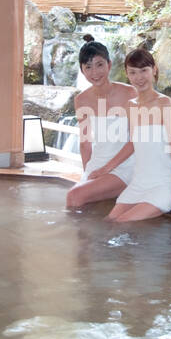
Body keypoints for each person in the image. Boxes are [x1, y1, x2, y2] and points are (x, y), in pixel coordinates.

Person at [87, 46, 171, 222]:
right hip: (140, 181)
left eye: (144, 70)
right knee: (109, 222)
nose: (139, 78)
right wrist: (104, 169)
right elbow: (132, 143)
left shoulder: (164, 103)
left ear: (154, 70)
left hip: (163, 183)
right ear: (127, 74)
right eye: (133, 72)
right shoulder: (130, 105)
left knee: (122, 223)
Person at [65, 35, 136, 210]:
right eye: (88, 67)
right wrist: (88, 174)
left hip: (125, 164)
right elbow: (85, 143)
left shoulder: (129, 93)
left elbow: (136, 140)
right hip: (97, 163)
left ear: (109, 65)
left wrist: (105, 170)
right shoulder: (81, 100)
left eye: (99, 65)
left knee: (73, 197)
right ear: (82, 71)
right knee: (77, 201)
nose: (94, 72)